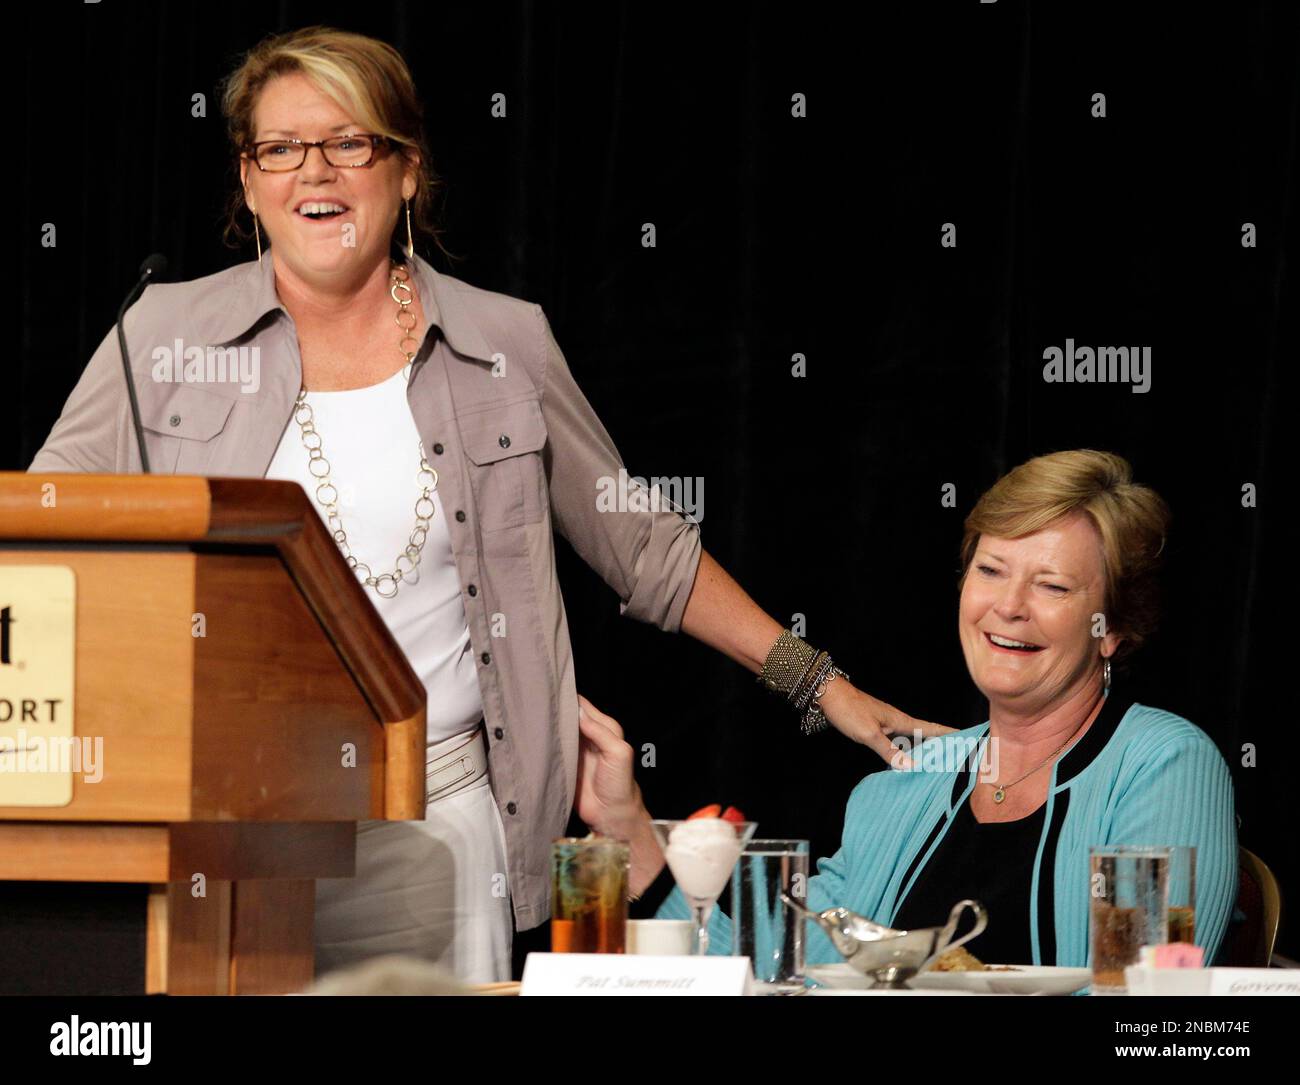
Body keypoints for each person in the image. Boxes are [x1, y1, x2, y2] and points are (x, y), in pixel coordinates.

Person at [27, 26, 938, 983]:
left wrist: (821, 685)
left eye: (350, 141)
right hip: (228, 829)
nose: (315, 172)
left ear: (407, 169)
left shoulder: (505, 341)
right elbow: (49, 540)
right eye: (281, 149)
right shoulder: (163, 332)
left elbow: (645, 545)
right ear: (249, 182)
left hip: (442, 824)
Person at [577, 450, 1239, 968]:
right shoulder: (904, 783)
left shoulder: (1163, 763)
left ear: (1113, 628)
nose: (1008, 606)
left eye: (1053, 585)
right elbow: (781, 964)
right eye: (990, 570)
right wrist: (632, 833)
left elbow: (1147, 1008)